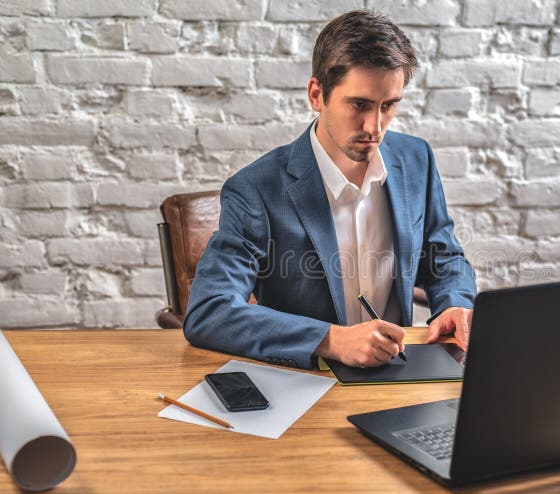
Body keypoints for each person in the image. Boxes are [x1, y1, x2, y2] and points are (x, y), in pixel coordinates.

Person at [183, 10, 476, 370]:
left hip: (401, 375)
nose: (375, 126)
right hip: (307, 385)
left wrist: (454, 304)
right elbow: (209, 312)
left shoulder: (417, 160)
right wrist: (331, 339)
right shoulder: (255, 190)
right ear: (317, 94)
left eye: (389, 106)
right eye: (359, 104)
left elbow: (443, 255)